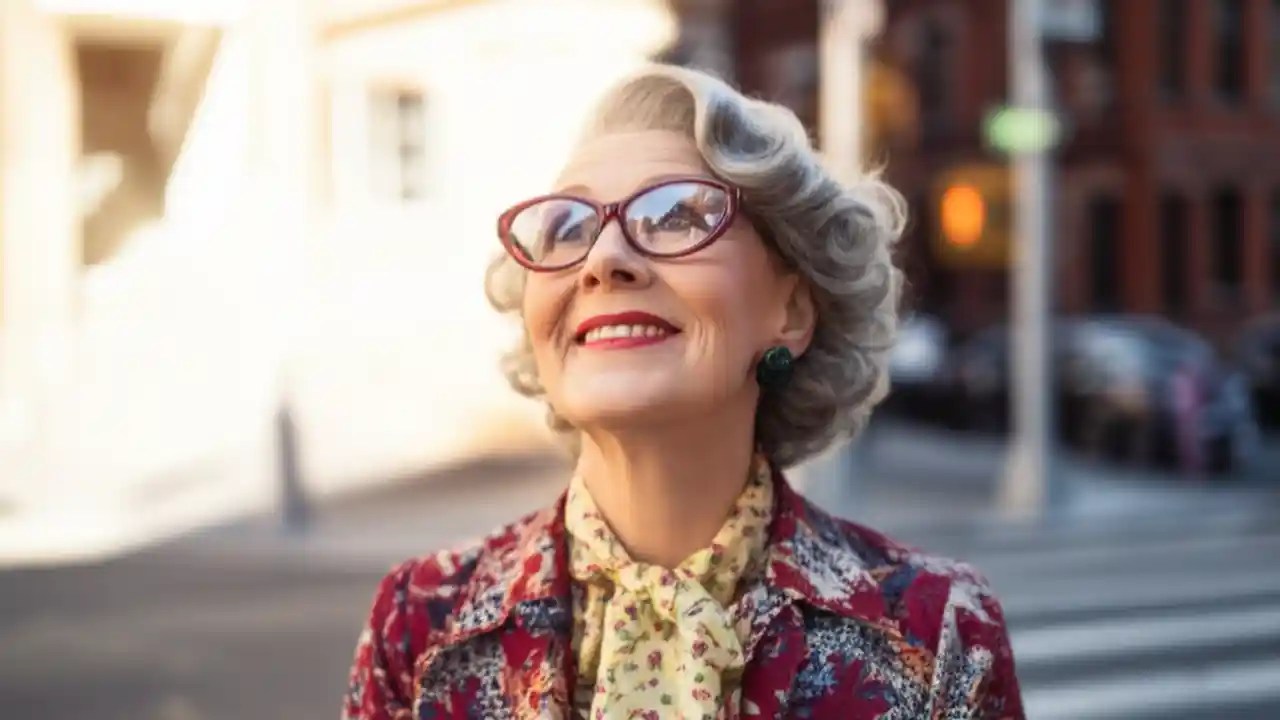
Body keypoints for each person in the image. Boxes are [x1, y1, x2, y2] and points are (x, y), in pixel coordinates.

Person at [342, 64, 1024, 720]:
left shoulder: (939, 633)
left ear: (791, 310)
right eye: (568, 227)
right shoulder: (419, 623)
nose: (604, 258)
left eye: (676, 215)